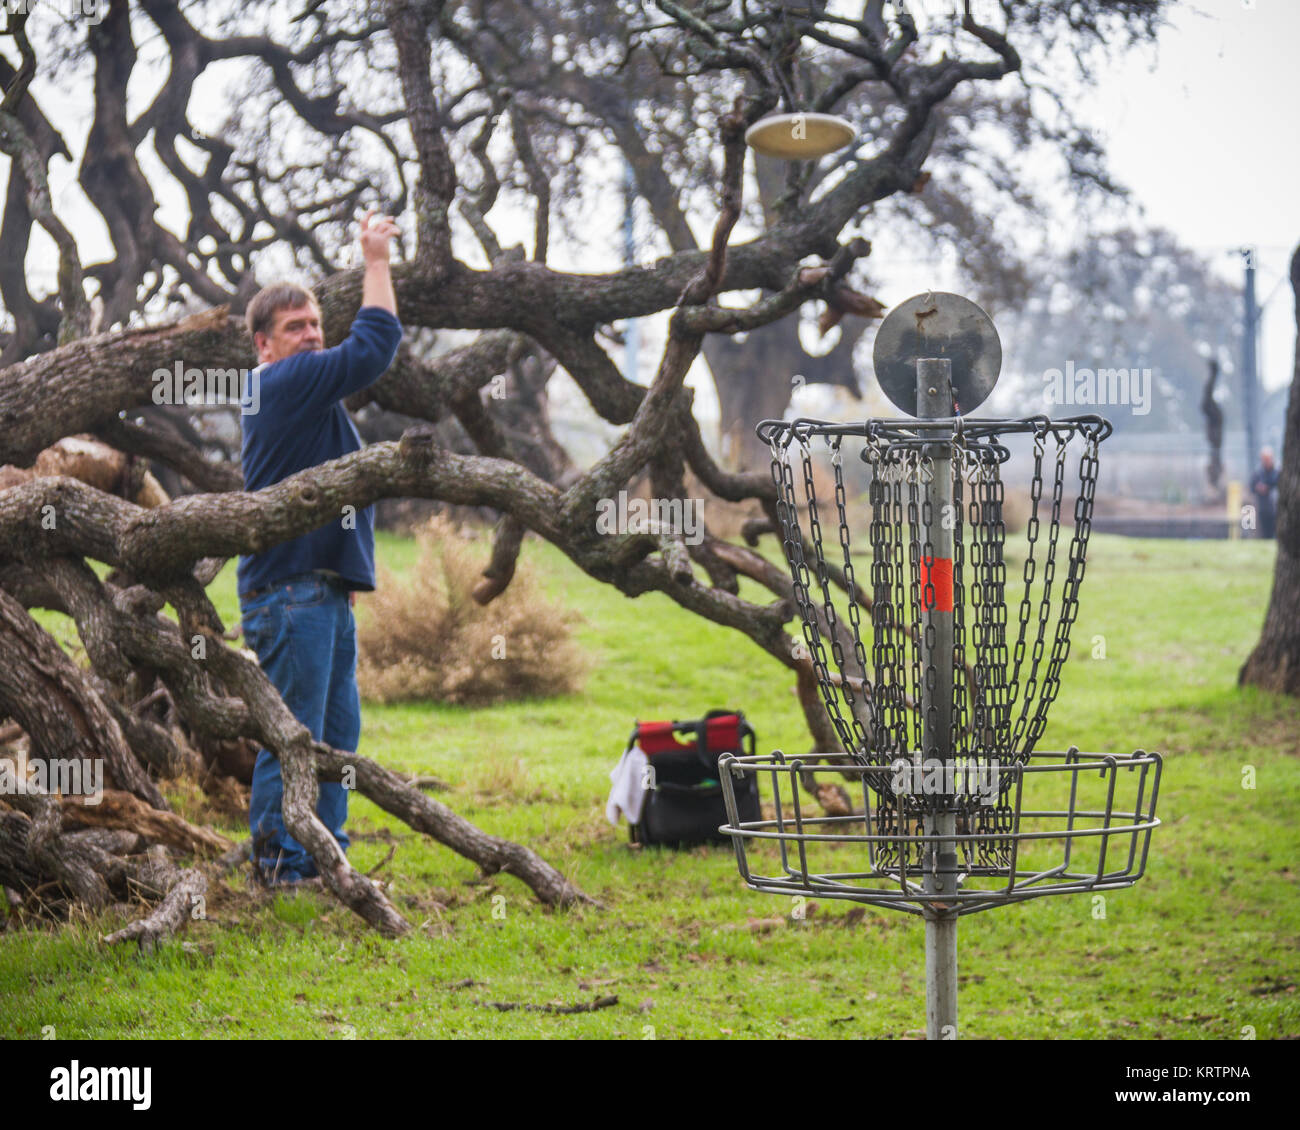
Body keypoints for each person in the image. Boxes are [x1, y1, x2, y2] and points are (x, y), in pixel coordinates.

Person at [237, 211, 402, 884]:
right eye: (294, 329)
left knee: (335, 740)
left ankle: (324, 857)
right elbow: (374, 345)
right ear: (264, 345)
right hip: (290, 592)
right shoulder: (284, 382)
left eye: (314, 326)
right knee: (296, 739)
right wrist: (377, 260)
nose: (310, 337)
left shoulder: (310, 399)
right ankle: (281, 864)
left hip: (320, 591)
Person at [1249, 447, 1280, 540]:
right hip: (1262, 507)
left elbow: (1277, 484)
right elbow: (1252, 486)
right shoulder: (1258, 472)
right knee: (1264, 532)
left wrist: (1268, 487)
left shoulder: (1277, 472)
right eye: (1264, 459)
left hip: (1275, 507)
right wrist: (1258, 488)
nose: (1266, 461)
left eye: (1268, 459)